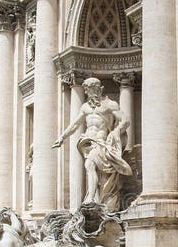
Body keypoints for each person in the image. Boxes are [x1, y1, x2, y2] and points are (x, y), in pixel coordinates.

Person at [52, 77, 131, 211]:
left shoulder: (110, 104)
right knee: (90, 167)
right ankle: (92, 197)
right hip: (87, 142)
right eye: (88, 90)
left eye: (94, 90)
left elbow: (125, 120)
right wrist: (62, 137)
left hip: (102, 142)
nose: (91, 93)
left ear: (100, 89)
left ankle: (93, 198)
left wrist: (116, 132)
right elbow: (75, 124)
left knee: (91, 167)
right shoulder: (85, 107)